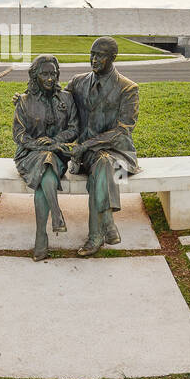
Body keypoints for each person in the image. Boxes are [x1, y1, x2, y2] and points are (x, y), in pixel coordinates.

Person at [66, 36, 141, 254]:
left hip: (120, 158)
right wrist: (27, 98)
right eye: (92, 54)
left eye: (100, 56)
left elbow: (123, 130)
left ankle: (95, 235)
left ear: (113, 58)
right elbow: (57, 102)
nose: (94, 59)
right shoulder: (78, 82)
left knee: (104, 164)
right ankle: (107, 223)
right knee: (101, 164)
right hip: (86, 157)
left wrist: (86, 144)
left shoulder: (128, 88)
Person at [12, 55, 80, 258]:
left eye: (53, 74)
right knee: (45, 160)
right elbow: (19, 134)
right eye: (44, 74)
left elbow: (74, 128)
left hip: (58, 154)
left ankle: (42, 234)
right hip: (29, 155)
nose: (50, 78)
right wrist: (37, 144)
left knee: (48, 161)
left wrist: (55, 141)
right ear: (35, 76)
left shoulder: (66, 98)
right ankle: (55, 216)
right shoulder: (24, 101)